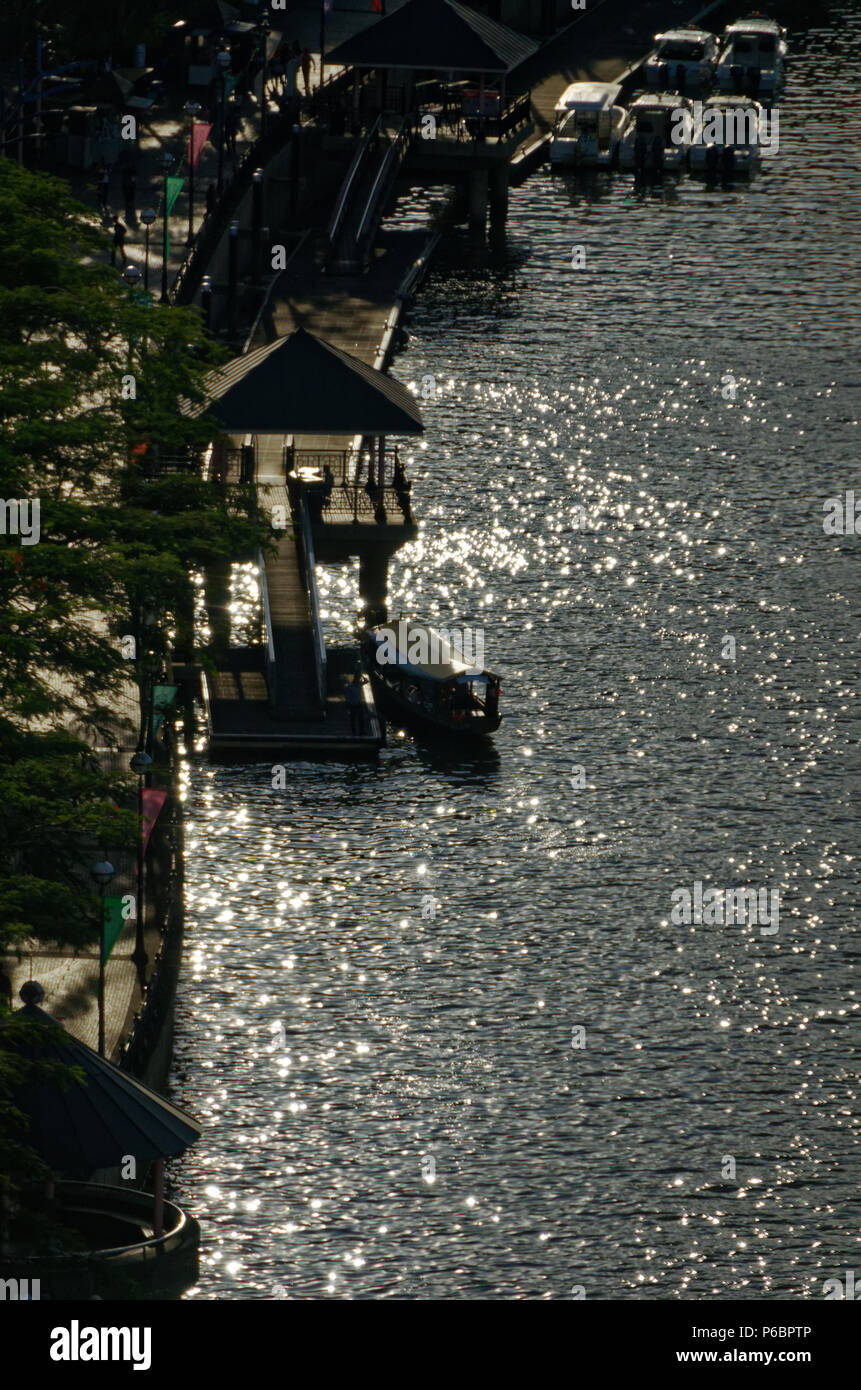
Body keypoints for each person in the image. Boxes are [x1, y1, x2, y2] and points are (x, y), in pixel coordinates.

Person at [344, 671, 366, 735]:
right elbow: (347, 697)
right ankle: (355, 732)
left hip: (359, 704)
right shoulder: (350, 687)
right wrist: (348, 704)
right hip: (353, 705)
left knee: (360, 719)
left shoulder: (358, 685)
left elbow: (366, 681)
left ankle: (361, 731)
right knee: (353, 719)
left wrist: (362, 676)